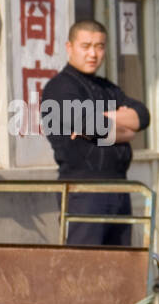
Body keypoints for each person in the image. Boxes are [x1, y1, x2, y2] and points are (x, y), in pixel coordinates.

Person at [38, 19, 150, 246]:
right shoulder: (59, 88)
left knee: (120, 268)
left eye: (99, 47)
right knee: (85, 269)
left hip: (119, 189)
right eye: (86, 46)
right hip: (84, 191)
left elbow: (142, 116)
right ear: (69, 47)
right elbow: (90, 125)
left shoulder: (108, 88)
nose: (93, 54)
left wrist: (102, 118)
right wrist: (124, 131)